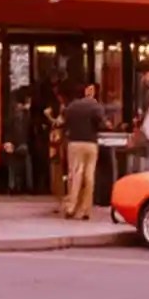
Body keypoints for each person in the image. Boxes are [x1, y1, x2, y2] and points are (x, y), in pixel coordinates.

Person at [62, 83, 105, 220]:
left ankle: (71, 207)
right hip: (91, 143)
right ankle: (85, 210)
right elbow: (101, 123)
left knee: (75, 175)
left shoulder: (72, 106)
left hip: (74, 143)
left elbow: (65, 123)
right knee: (89, 176)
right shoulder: (95, 106)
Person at [3, 88, 33, 195]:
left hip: (18, 142)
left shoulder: (18, 116)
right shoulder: (23, 116)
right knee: (21, 165)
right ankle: (20, 186)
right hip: (20, 142)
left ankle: (15, 186)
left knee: (16, 165)